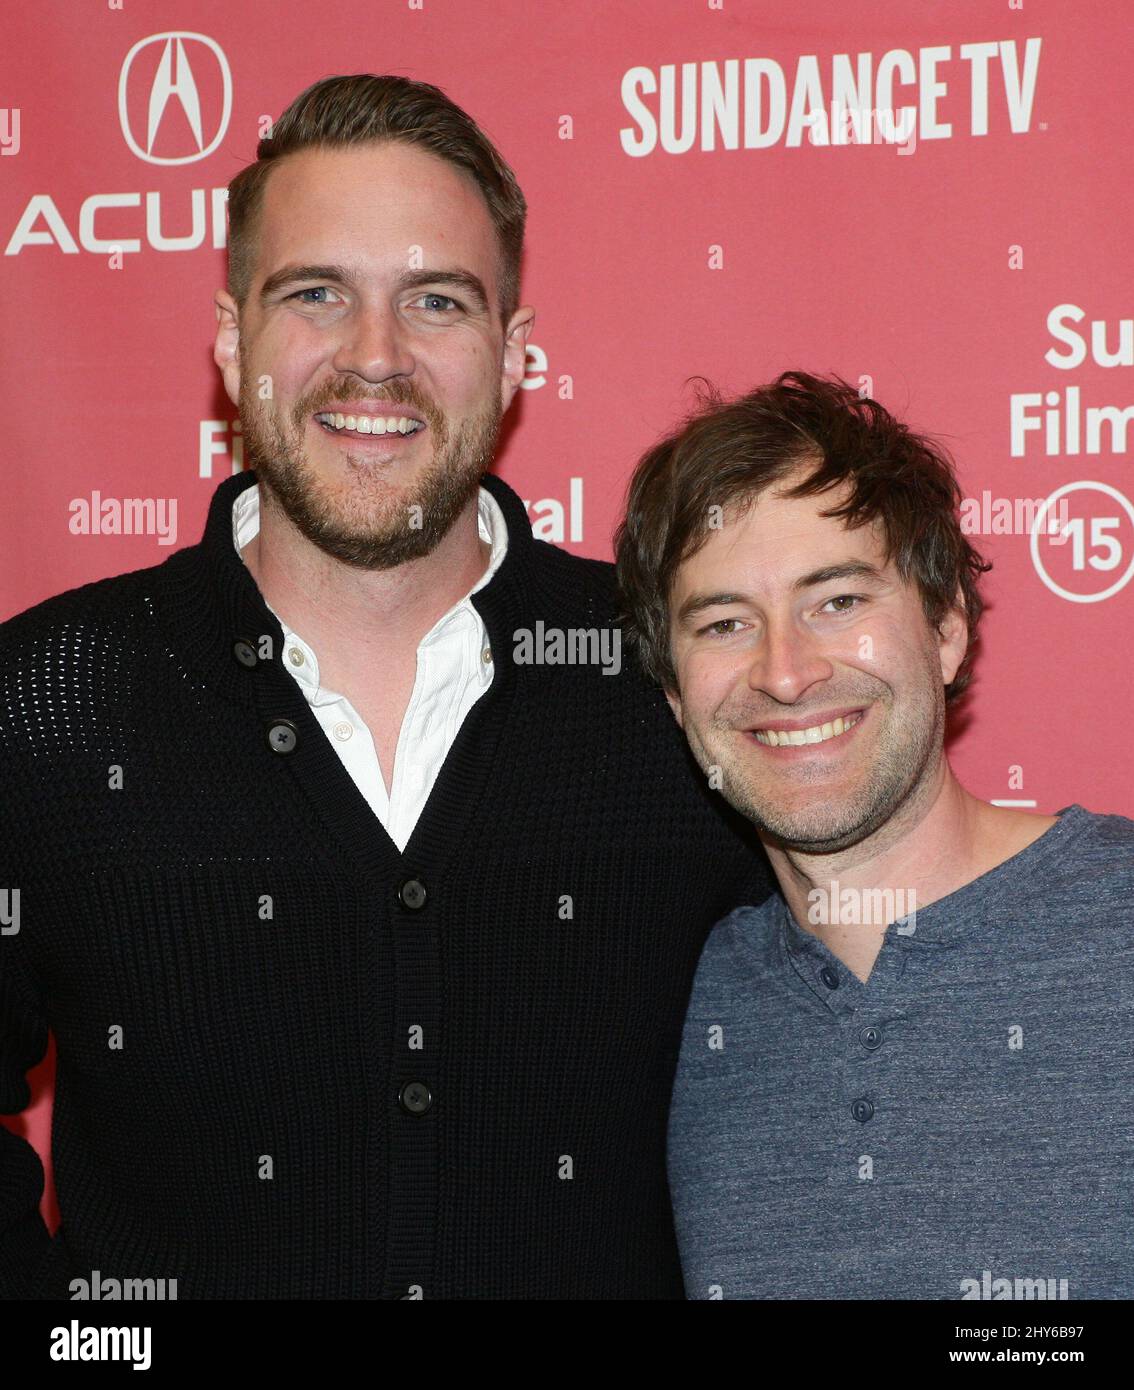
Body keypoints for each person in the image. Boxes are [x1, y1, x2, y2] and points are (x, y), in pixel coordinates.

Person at [0, 74, 772, 1300]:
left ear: (516, 354)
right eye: (316, 294)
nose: (375, 358)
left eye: (435, 301)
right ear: (228, 338)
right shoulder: (46, 700)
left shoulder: (669, 676)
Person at [614, 370, 1134, 1300]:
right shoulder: (671, 1009)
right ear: (672, 695)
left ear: (945, 627)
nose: (785, 673)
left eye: (838, 601)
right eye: (727, 622)